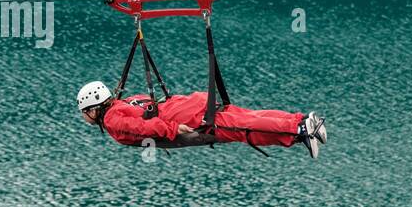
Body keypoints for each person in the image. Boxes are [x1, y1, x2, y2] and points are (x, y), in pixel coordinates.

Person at [75, 81, 328, 157]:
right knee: (246, 118)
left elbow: (144, 126)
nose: (85, 117)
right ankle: (301, 124)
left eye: (84, 112)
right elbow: (148, 110)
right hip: (186, 103)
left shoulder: (112, 119)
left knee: (242, 127)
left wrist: (174, 129)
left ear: (93, 109)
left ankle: (298, 128)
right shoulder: (125, 101)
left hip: (186, 116)